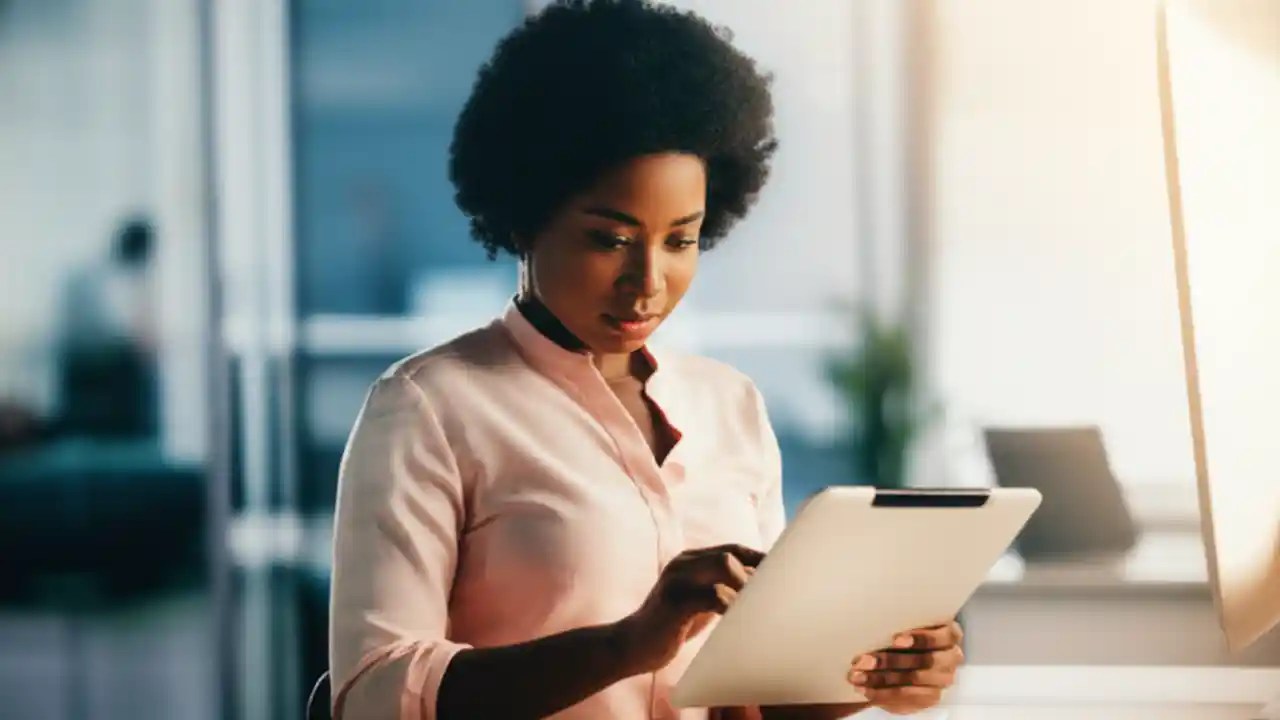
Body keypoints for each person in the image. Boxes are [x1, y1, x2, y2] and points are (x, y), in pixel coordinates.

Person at [329, 2, 964, 719]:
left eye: (680, 240)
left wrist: (873, 671)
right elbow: (375, 695)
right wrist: (626, 645)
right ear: (525, 217)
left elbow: (753, 692)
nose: (648, 283)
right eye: (611, 240)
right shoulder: (428, 407)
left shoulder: (730, 404)